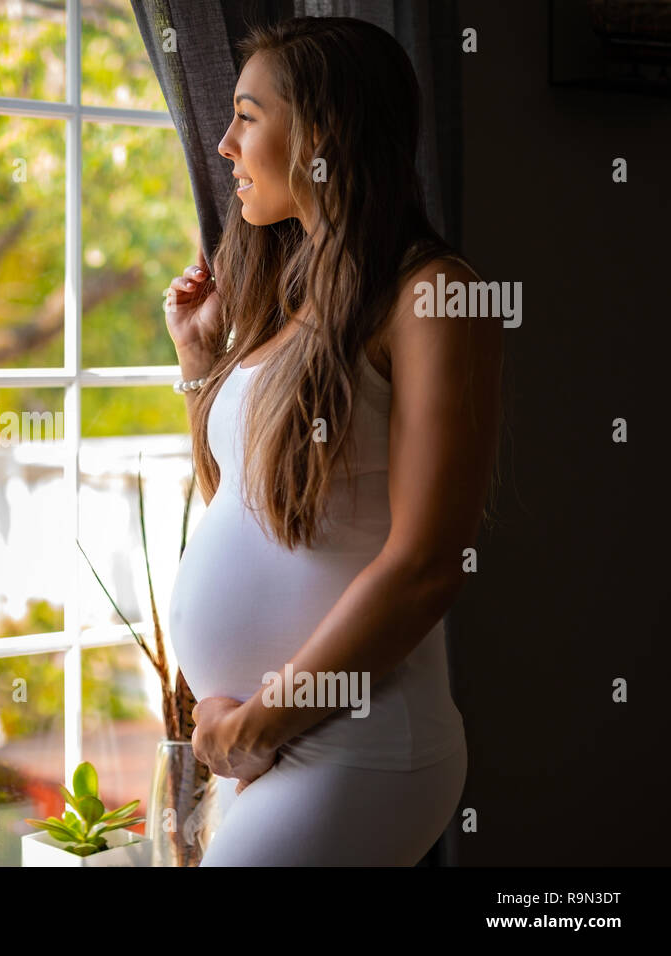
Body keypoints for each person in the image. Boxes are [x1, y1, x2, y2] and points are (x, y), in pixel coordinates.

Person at [163, 17, 503, 866]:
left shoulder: (437, 297)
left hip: (359, 743)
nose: (224, 143)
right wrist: (201, 365)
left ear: (319, 132)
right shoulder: (294, 301)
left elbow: (429, 563)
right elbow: (257, 510)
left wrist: (257, 723)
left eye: (247, 115)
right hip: (272, 747)